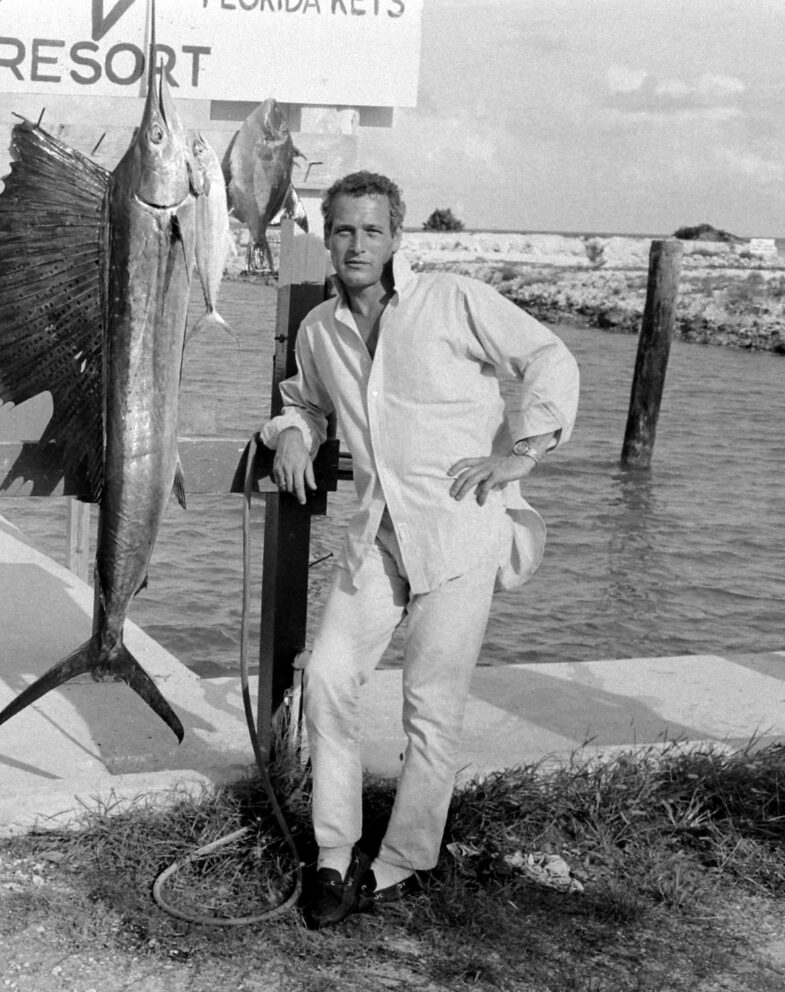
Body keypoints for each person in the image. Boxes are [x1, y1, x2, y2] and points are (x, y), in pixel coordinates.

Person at [262, 171, 580, 928]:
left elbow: (549, 357)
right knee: (331, 681)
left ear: (397, 236)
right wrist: (295, 434)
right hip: (378, 536)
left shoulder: (453, 300)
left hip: (461, 533)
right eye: (342, 230)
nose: (356, 244)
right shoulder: (319, 330)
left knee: (429, 708)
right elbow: (302, 399)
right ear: (326, 235)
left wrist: (523, 455)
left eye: (372, 230)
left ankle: (403, 861)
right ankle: (334, 858)